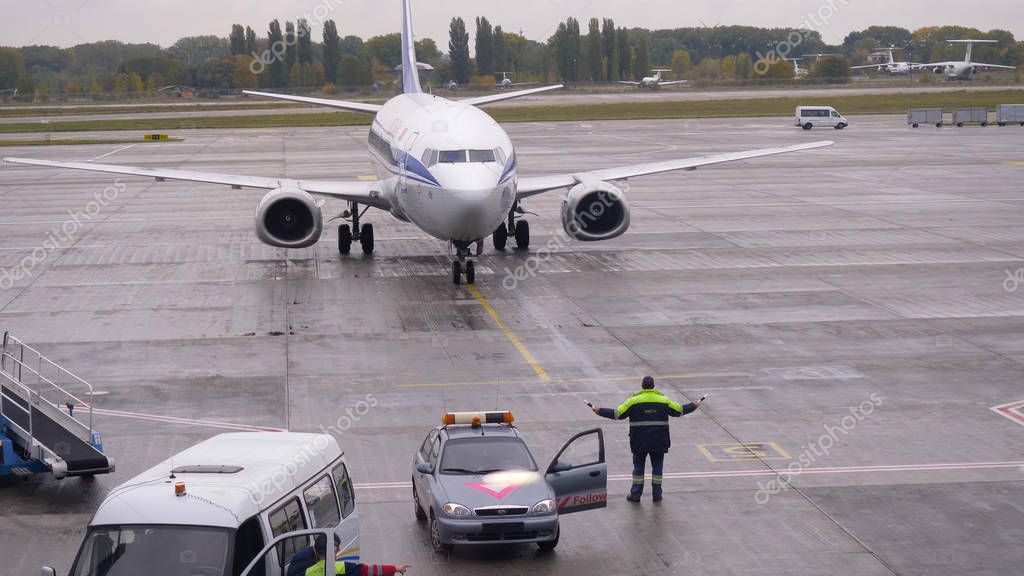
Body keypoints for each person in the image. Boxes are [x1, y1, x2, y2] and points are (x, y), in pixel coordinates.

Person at [591, 376, 701, 503]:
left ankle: (636, 495)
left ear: (642, 386)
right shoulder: (663, 400)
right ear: (653, 386)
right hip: (659, 441)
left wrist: (599, 411)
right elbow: (679, 411)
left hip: (639, 441)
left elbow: (617, 414)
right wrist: (693, 405)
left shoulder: (633, 401)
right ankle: (657, 495)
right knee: (657, 469)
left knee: (638, 468)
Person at [305, 533, 410, 576]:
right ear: (331, 551)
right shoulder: (343, 567)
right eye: (337, 549)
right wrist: (395, 568)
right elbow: (371, 570)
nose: (339, 550)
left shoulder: (308, 572)